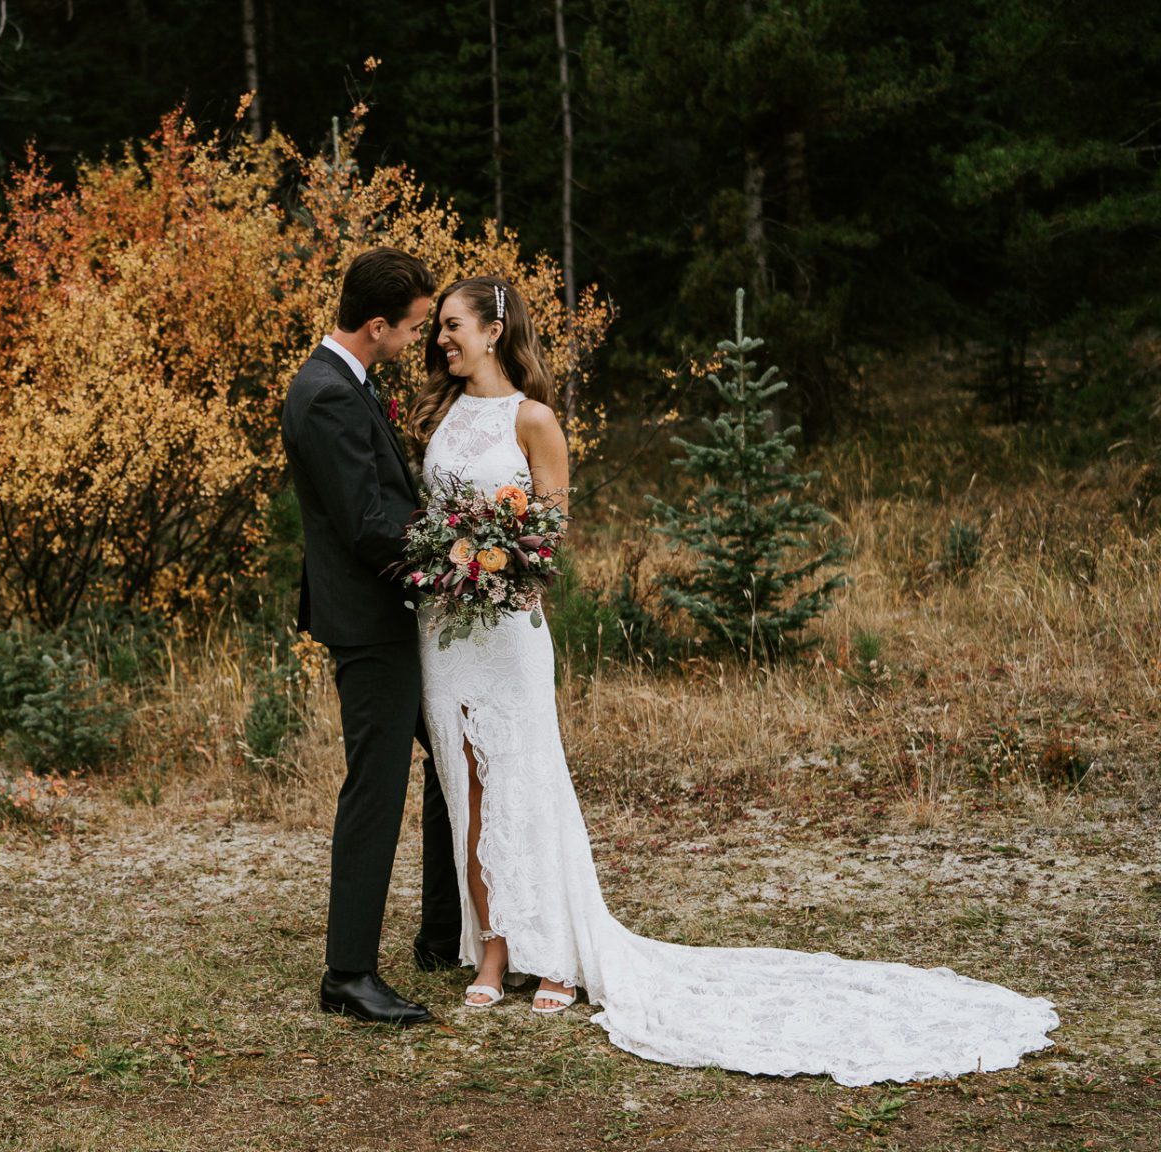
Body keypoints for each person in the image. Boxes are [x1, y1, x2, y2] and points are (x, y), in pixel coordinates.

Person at [406, 274, 1060, 1084]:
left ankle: (557, 956)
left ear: (494, 330)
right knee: (466, 787)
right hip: (445, 630)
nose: (443, 339)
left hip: (507, 628)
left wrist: (501, 564)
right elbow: (429, 519)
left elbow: (551, 529)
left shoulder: (533, 419)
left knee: (525, 778)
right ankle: (492, 951)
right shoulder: (440, 416)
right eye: (439, 328)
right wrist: (448, 561)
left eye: (453, 325)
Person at [280, 247, 464, 1026]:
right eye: (415, 326)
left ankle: (443, 936)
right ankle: (348, 974)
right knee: (376, 789)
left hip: (393, 615)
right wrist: (459, 553)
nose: (420, 339)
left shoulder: (348, 382)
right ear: (378, 324)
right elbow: (366, 523)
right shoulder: (325, 393)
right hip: (369, 623)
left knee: (454, 757)